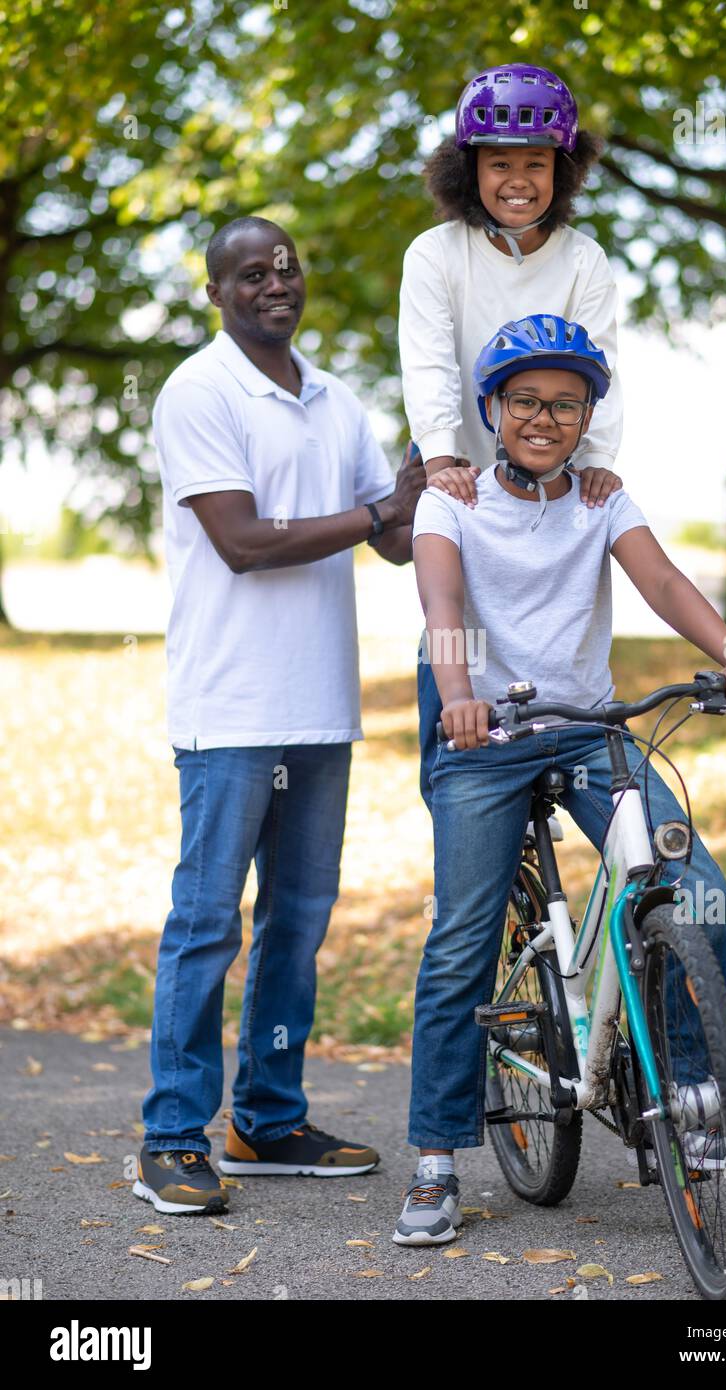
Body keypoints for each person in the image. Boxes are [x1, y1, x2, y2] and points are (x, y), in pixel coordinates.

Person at [392, 314, 726, 1245]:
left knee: (699, 893)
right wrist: (457, 698)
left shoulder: (603, 501)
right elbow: (442, 604)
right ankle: (437, 1162)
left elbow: (667, 582)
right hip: (483, 733)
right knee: (462, 937)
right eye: (524, 400)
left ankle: (688, 1095)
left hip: (585, 731)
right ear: (492, 408)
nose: (543, 417)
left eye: (566, 403)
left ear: (588, 416)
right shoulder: (453, 502)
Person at [137, 215, 425, 1216]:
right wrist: (375, 516)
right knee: (207, 925)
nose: (276, 282)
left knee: (296, 926)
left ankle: (266, 1118)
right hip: (231, 711)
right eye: (251, 272)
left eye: (288, 267)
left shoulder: (337, 399)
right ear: (215, 293)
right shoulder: (199, 391)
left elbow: (392, 539)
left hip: (320, 707)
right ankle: (171, 1136)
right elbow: (245, 543)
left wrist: (427, 480)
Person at [398, 63, 625, 809]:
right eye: (500, 163)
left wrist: (594, 460)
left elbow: (603, 361)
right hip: (458, 467)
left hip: (554, 456)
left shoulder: (584, 260)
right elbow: (429, 359)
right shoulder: (435, 254)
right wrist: (441, 459)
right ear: (471, 171)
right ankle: (459, 794)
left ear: (564, 169)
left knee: (552, 622)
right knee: (451, 619)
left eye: (536, 163)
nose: (518, 179)